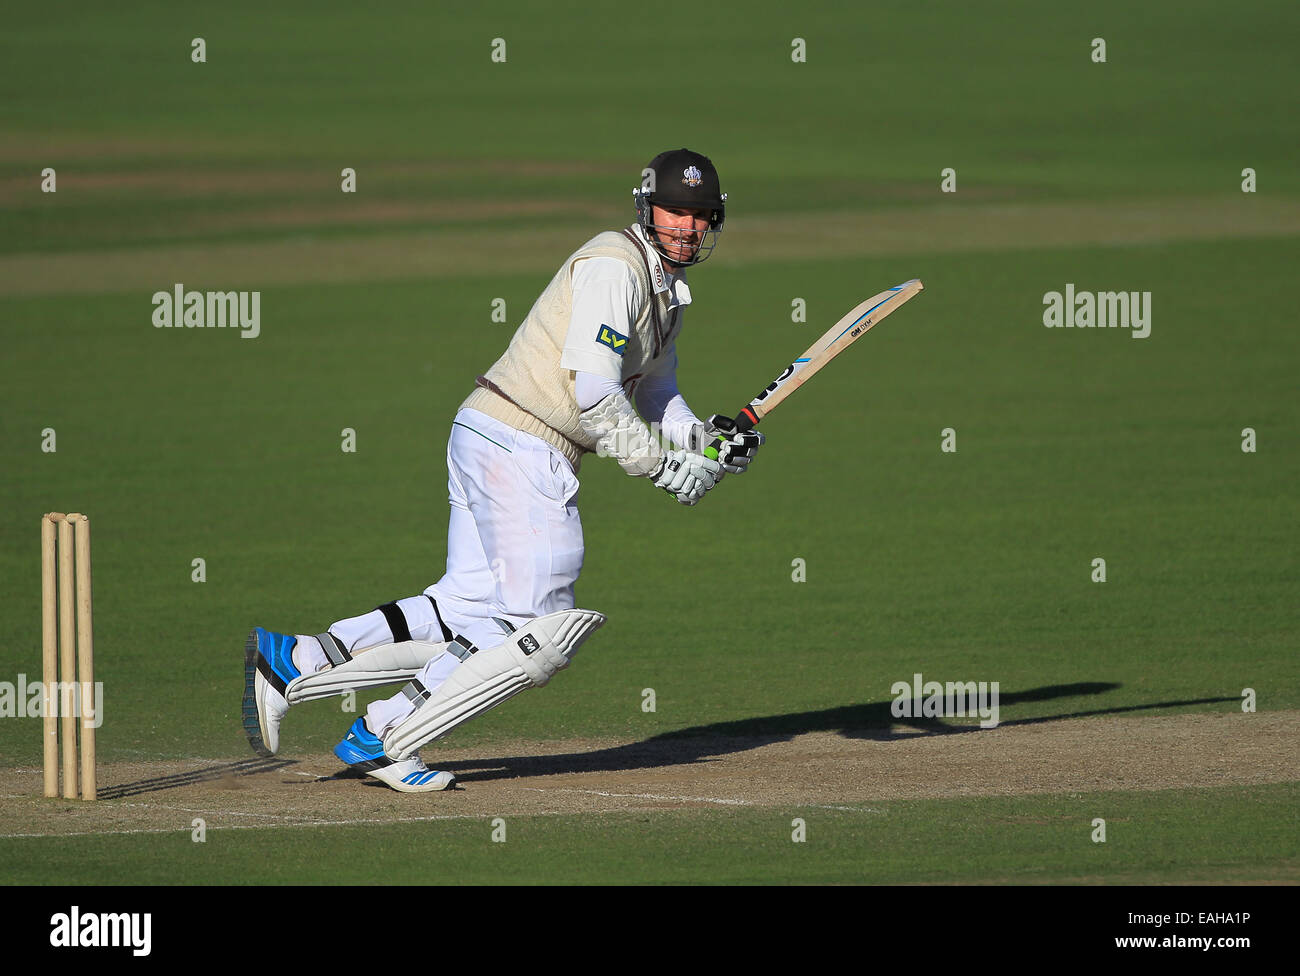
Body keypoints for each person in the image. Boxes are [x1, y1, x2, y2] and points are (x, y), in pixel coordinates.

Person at [241, 148, 765, 792]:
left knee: (466, 607)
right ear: (646, 207)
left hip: (489, 430)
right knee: (540, 631)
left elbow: (656, 392)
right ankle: (385, 735)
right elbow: (596, 394)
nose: (685, 226)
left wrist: (706, 441)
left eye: (698, 215)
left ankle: (297, 658)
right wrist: (661, 467)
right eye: (673, 212)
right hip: (523, 442)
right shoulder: (615, 268)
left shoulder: (662, 291)